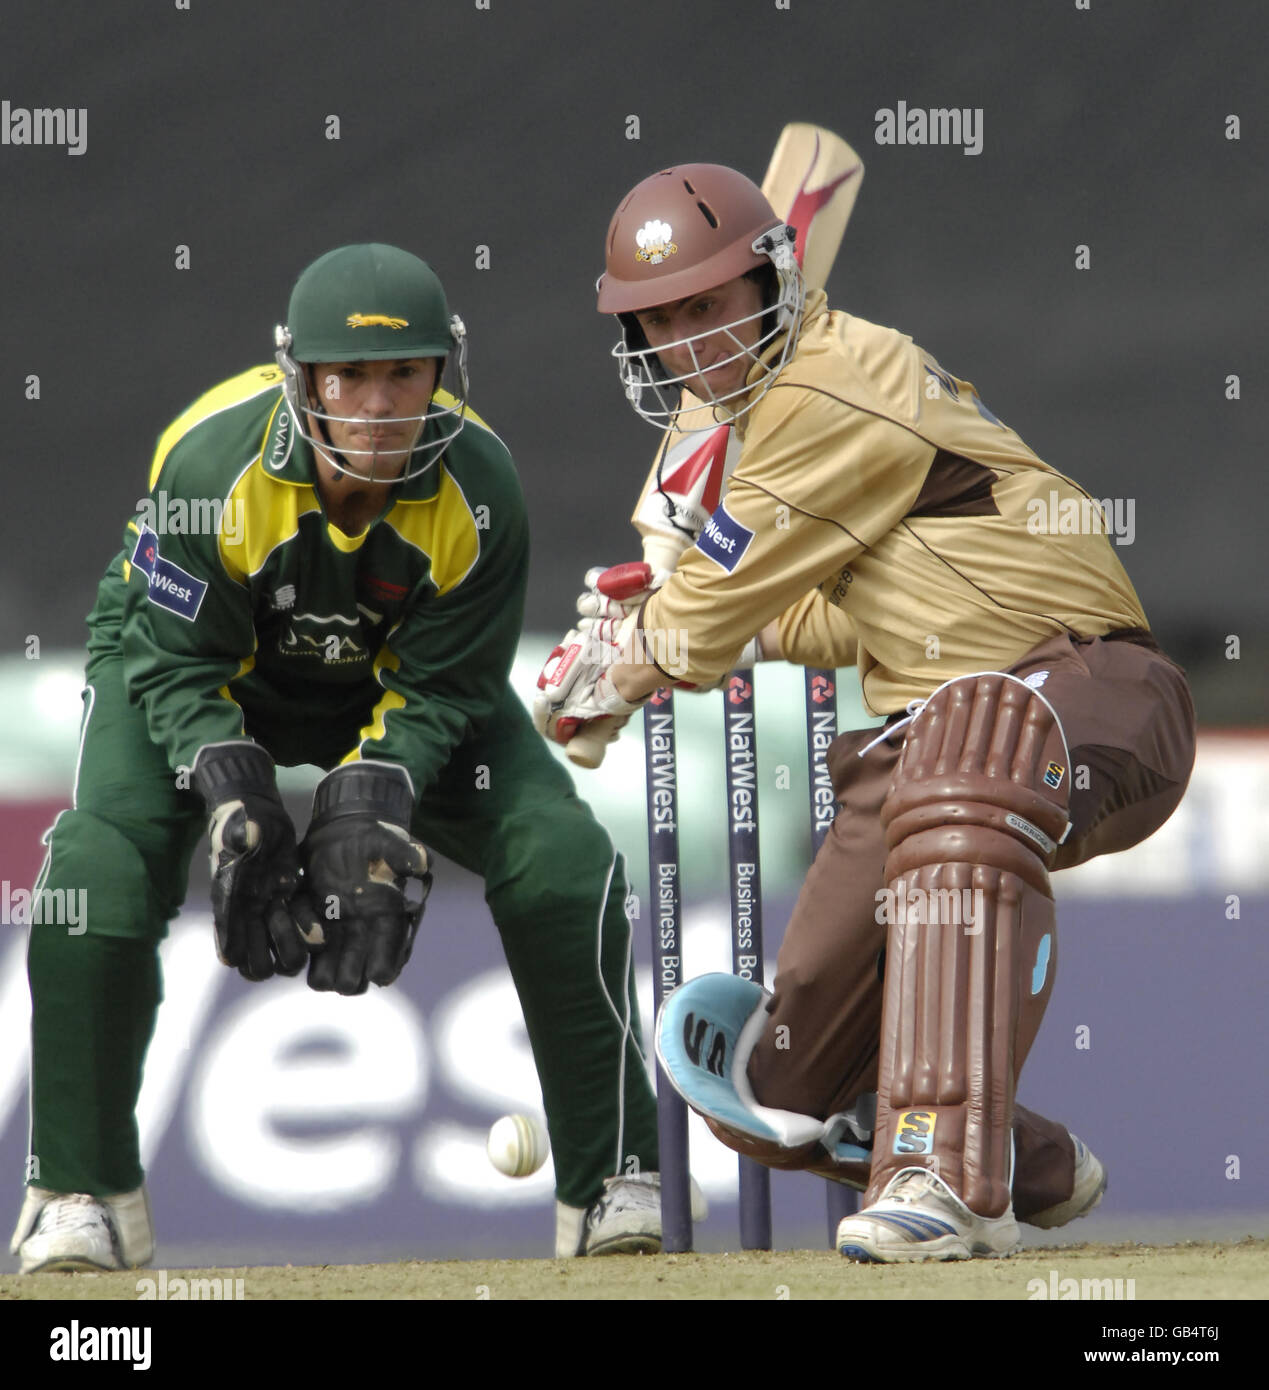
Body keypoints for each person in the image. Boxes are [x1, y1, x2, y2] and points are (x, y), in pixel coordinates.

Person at [537, 166, 1197, 1262]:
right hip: (922, 734)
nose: (689, 342)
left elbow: (700, 618)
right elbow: (816, 612)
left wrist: (624, 660)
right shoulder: (770, 422)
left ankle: (947, 1178)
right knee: (777, 1088)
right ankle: (1018, 1158)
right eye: (661, 321)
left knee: (967, 766)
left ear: (772, 281)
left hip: (1092, 689)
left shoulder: (827, 386)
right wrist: (662, 635)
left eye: (708, 306)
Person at [10, 243, 678, 1273]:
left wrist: (372, 795)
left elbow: (447, 683)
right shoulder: (210, 464)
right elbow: (177, 661)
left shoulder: (482, 487)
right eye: (348, 375)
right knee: (94, 872)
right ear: (302, 375)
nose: (376, 405)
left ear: (442, 371)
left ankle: (612, 1182)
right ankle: (78, 1189)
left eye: (404, 373)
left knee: (563, 858)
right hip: (200, 669)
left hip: (387, 679)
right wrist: (235, 795)